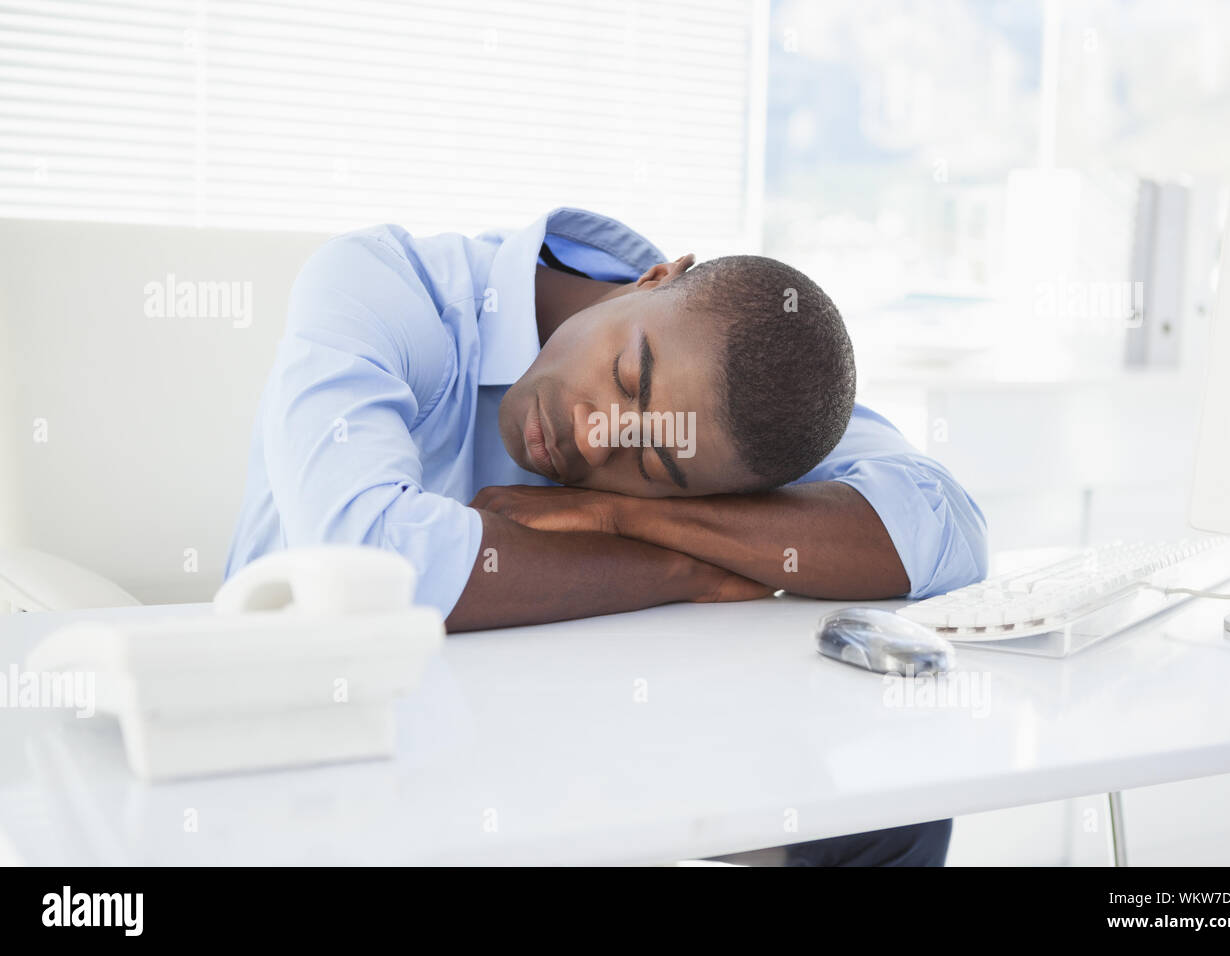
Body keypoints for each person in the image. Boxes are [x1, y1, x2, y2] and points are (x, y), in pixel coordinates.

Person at [225, 207, 985, 866]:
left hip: (546, 746)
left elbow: (942, 526)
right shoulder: (390, 286)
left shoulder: (731, 395)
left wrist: (627, 517)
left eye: (648, 460)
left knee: (889, 820)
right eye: (627, 378)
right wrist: (682, 570)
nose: (591, 436)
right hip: (311, 745)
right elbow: (370, 563)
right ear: (655, 278)